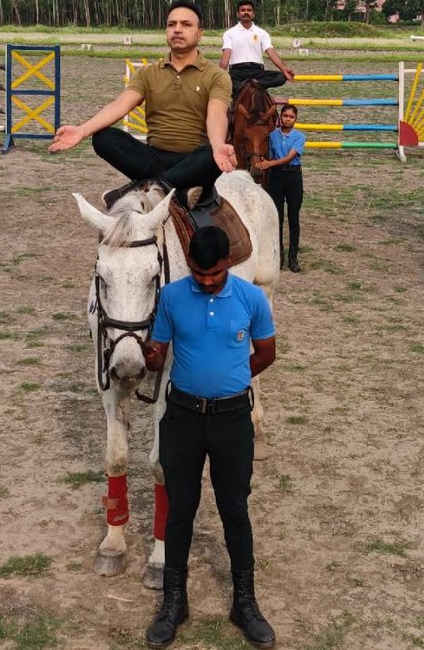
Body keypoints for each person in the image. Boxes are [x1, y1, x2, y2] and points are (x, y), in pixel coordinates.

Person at [141, 226, 276, 649]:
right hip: (182, 416)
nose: (204, 281)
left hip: (233, 419)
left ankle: (245, 603)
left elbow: (267, 351)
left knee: (235, 509)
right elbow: (158, 352)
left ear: (228, 265)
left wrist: (232, 379)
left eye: (213, 274)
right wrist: (148, 353)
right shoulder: (172, 297)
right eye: (198, 273)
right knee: (180, 510)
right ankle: (173, 603)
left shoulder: (252, 299)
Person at [49, 1, 236, 215]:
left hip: (193, 160)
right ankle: (174, 188)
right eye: (171, 24)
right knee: (103, 137)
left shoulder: (216, 76)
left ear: (199, 33)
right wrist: (82, 130)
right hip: (153, 158)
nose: (177, 29)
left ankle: (143, 188)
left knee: (212, 154)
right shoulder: (148, 73)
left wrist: (218, 144)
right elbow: (120, 105)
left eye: (186, 24)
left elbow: (216, 115)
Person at [259, 104, 306, 273]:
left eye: (291, 117)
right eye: (285, 116)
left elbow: (289, 157)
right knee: (276, 218)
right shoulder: (271, 136)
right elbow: (267, 154)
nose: (288, 119)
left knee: (293, 217)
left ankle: (293, 257)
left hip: (293, 177)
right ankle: (277, 255)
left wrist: (269, 164)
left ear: (295, 119)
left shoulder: (299, 137)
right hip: (276, 178)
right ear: (280, 118)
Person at [219, 0, 294, 96]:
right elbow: (226, 54)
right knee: (225, 81)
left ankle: (253, 84)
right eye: (243, 10)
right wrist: (220, 73)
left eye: (249, 10)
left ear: (253, 14)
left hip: (257, 72)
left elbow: (270, 52)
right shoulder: (229, 33)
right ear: (238, 14)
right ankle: (252, 86)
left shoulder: (262, 33)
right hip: (237, 72)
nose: (246, 12)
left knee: (281, 77)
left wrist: (284, 69)